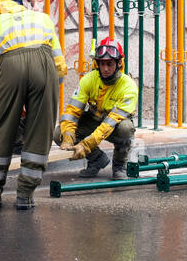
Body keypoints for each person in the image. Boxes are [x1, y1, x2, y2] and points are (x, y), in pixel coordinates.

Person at [0, 0, 66, 210]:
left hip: (10, 66)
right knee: (39, 131)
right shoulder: (42, 18)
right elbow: (59, 63)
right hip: (44, 65)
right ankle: (25, 195)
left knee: (4, 129)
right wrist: (49, 90)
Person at [55, 37, 138, 179]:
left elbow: (109, 123)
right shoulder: (88, 79)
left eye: (110, 64)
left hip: (114, 127)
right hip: (93, 120)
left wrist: (86, 145)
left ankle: (119, 166)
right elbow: (72, 112)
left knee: (125, 128)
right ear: (97, 63)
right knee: (58, 133)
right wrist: (68, 136)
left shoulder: (128, 86)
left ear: (119, 64)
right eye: (102, 64)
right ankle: (96, 160)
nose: (105, 69)